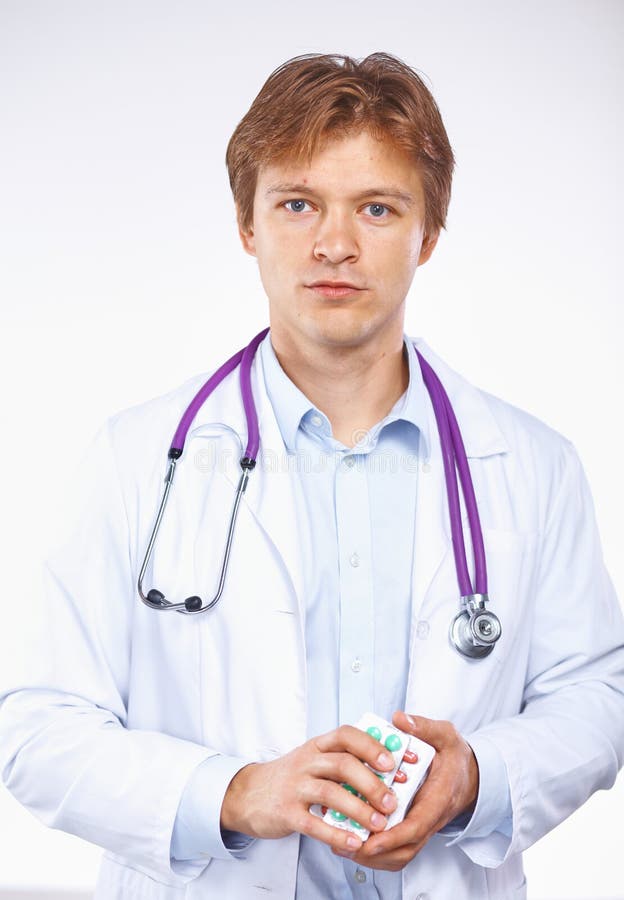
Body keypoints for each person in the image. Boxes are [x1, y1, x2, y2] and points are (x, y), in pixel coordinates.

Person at [1, 51, 623, 900]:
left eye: (376, 206)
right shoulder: (136, 459)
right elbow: (35, 727)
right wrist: (235, 793)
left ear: (428, 234)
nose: (334, 243)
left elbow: (596, 695)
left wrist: (477, 776)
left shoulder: (533, 465)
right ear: (248, 226)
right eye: (297, 204)